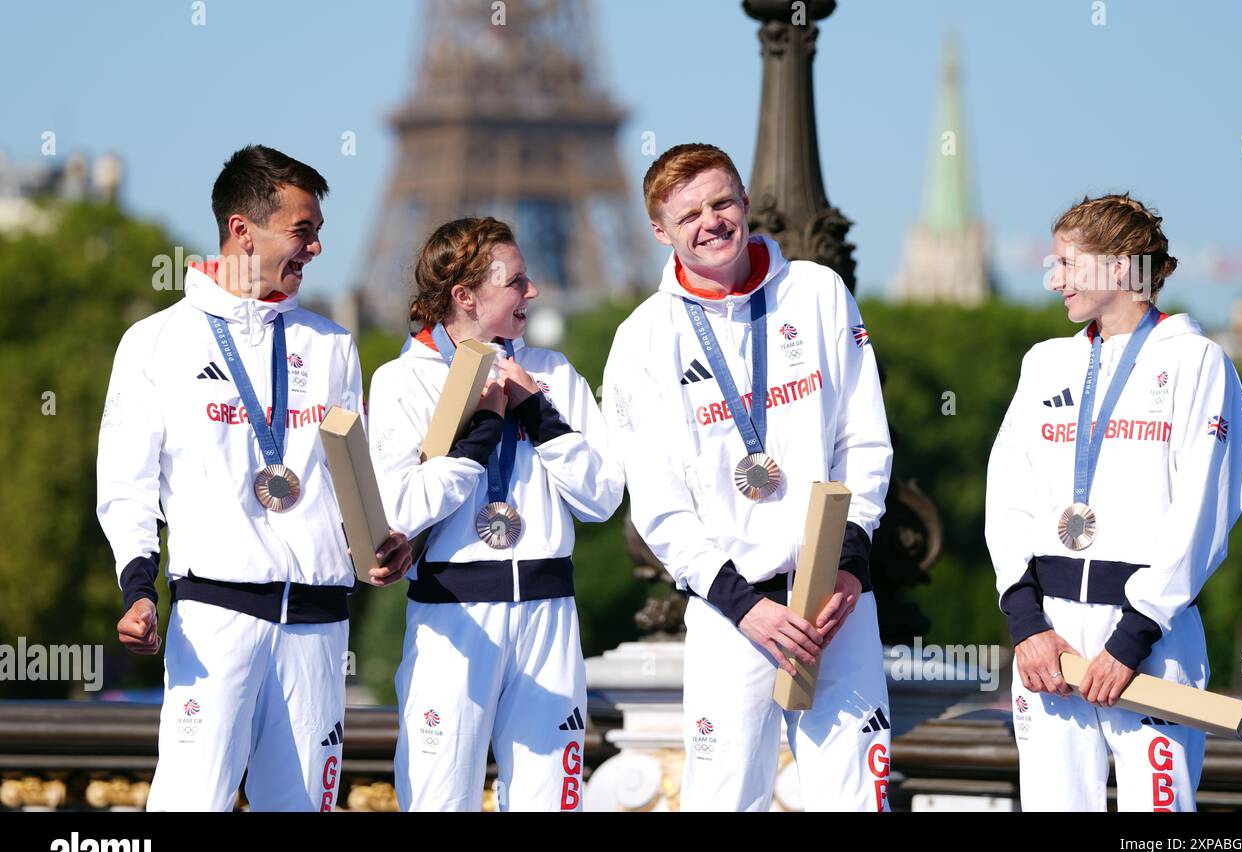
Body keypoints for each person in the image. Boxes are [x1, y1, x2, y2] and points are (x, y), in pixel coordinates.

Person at [96, 145, 412, 811]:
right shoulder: (155, 342)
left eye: (319, 231)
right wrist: (137, 587)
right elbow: (126, 486)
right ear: (243, 230)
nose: (317, 248)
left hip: (319, 625)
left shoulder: (331, 344)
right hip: (216, 620)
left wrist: (379, 542)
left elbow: (351, 477)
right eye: (303, 231)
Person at [601, 144, 894, 811]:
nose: (711, 222)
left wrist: (849, 563)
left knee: (855, 799)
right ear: (660, 231)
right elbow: (658, 504)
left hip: (834, 600)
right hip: (731, 613)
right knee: (724, 800)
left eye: (721, 203)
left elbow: (863, 438)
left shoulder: (818, 292)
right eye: (689, 215)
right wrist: (744, 606)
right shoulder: (643, 338)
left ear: (745, 201)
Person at [986, 193, 1242, 811]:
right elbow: (1007, 498)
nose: (1055, 281)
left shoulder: (1197, 362)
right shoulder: (1045, 363)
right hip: (1049, 640)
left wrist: (1133, 637)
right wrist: (1026, 623)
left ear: (1121, 266)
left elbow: (1205, 512)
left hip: (1151, 640)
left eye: (1067, 264)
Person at [368, 216, 623, 811]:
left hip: (548, 610)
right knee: (438, 800)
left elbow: (602, 498)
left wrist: (540, 416)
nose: (533, 291)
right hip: (454, 616)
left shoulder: (553, 373)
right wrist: (478, 438)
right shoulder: (401, 380)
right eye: (516, 282)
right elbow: (399, 509)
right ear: (465, 295)